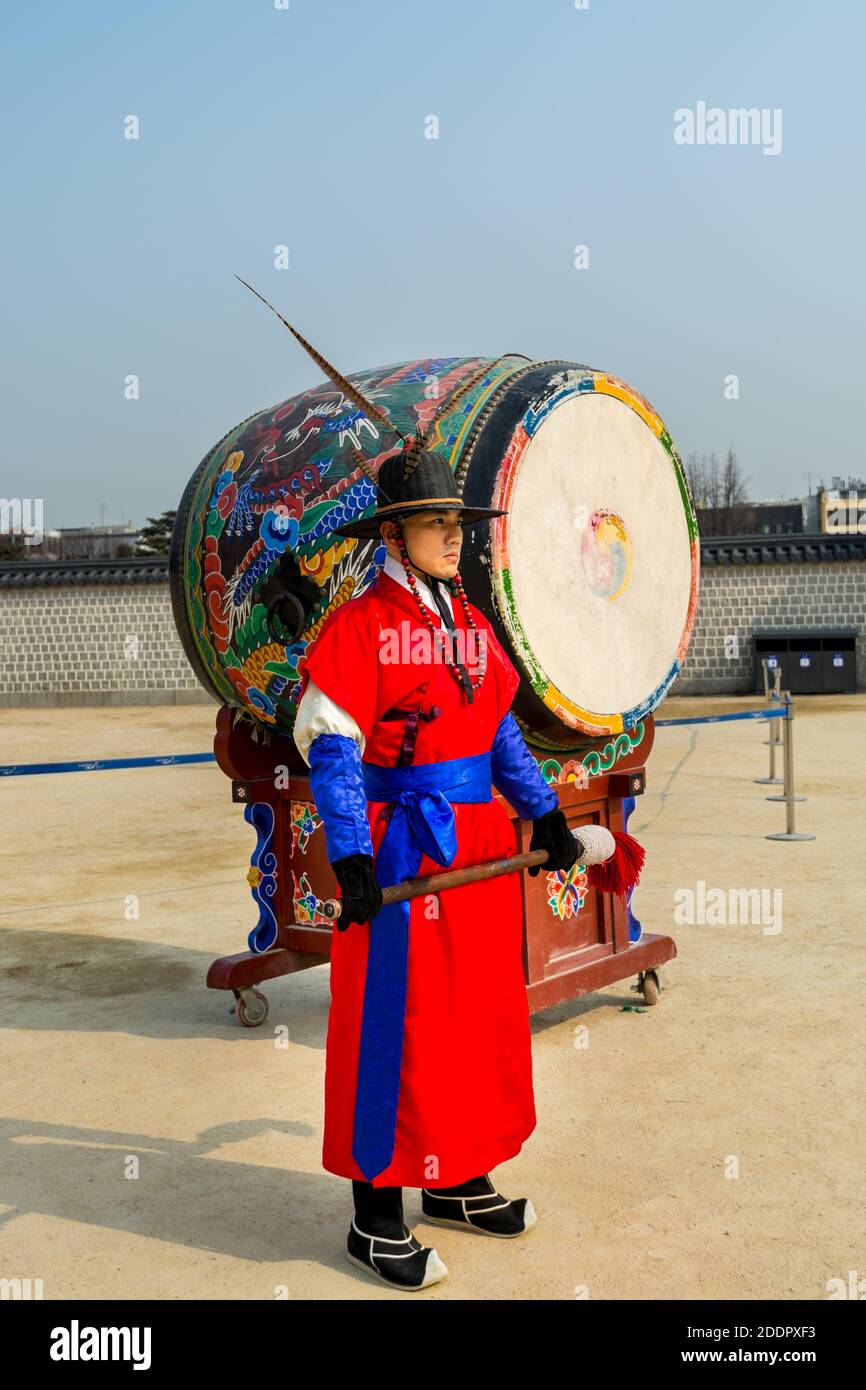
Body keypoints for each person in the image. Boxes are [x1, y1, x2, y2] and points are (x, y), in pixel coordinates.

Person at [292, 445, 583, 1290]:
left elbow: (496, 731)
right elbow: (334, 745)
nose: (454, 540)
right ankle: (375, 1217)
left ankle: (454, 1177)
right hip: (401, 849)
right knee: (397, 1025)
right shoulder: (362, 626)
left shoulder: (468, 622)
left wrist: (545, 812)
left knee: (474, 1016)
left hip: (481, 851)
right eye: (435, 524)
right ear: (396, 533)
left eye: (458, 524)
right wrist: (348, 853)